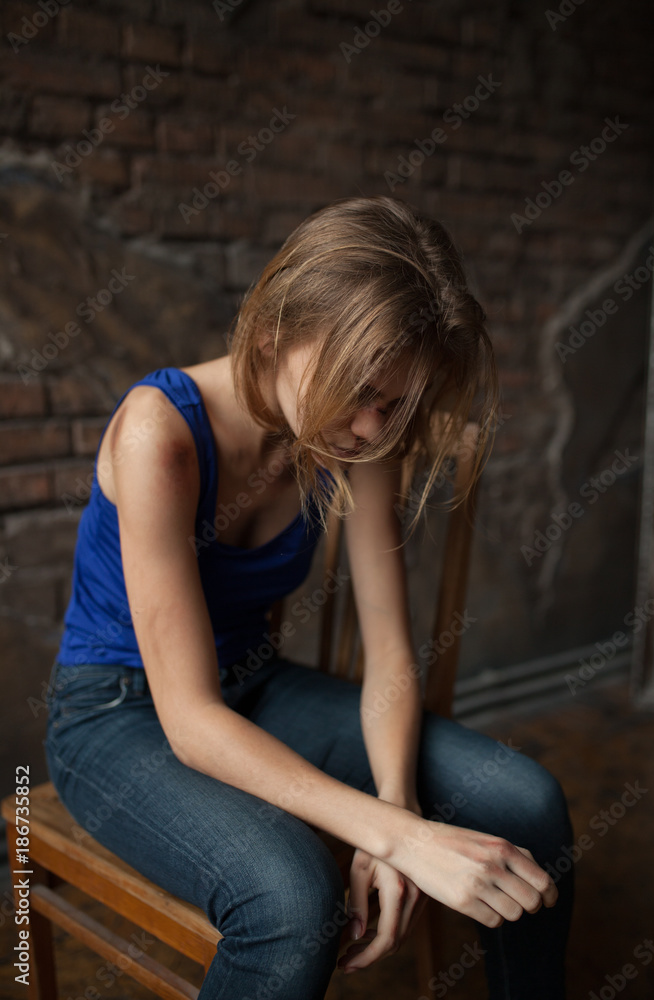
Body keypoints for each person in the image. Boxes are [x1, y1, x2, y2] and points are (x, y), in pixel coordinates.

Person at [45, 195, 573, 1000]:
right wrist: (399, 837)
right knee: (293, 900)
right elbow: (189, 721)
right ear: (272, 330)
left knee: (524, 800)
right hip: (119, 715)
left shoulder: (357, 436)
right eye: (359, 391)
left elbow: (389, 652)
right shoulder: (159, 434)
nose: (371, 427)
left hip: (255, 684)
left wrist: (395, 806)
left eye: (393, 404)